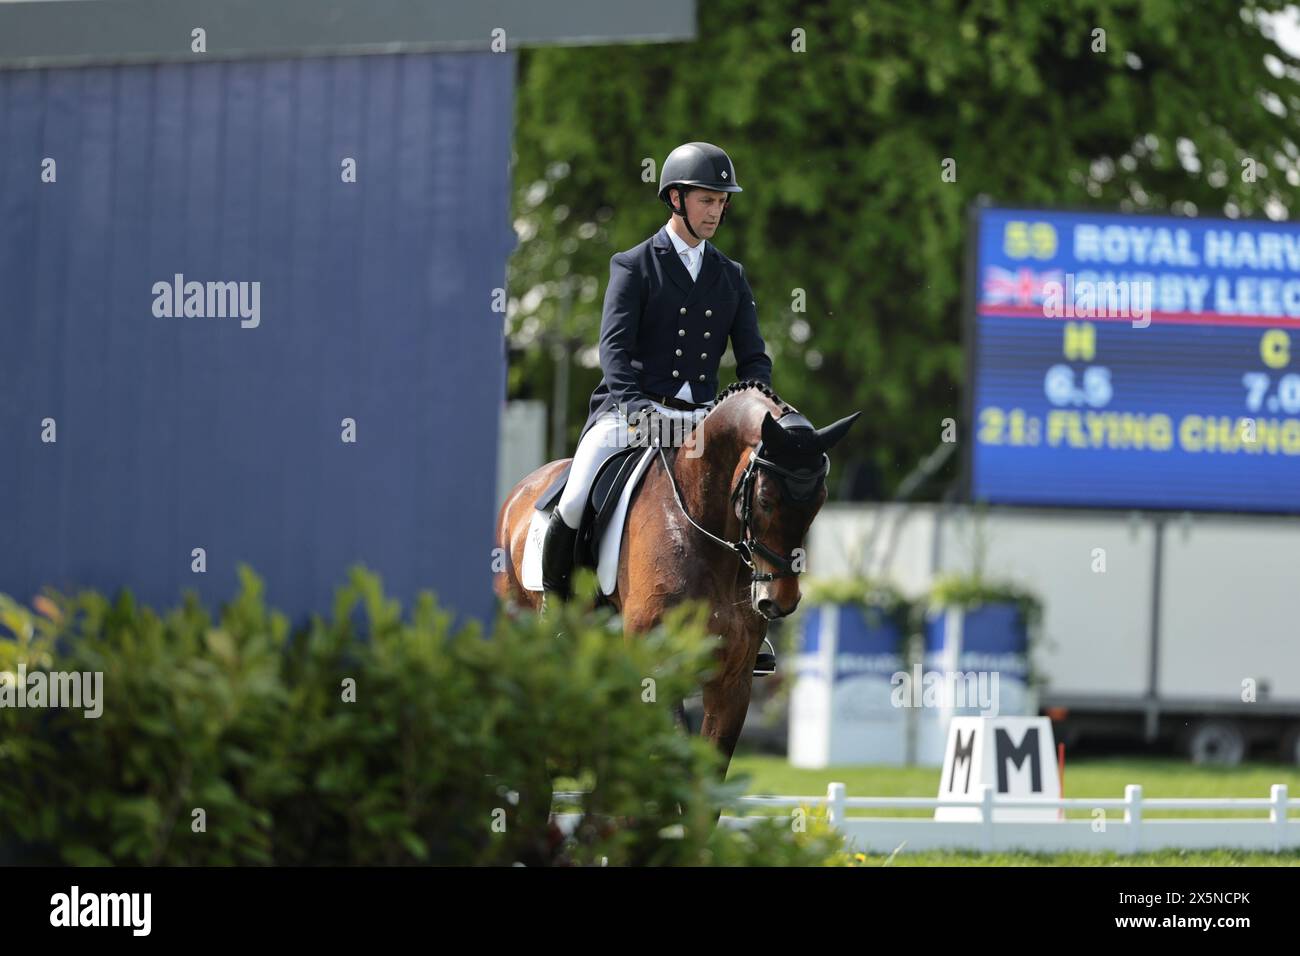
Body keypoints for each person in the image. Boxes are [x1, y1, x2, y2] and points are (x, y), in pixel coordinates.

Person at [541, 141, 773, 602]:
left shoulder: (730, 276)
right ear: (675, 199)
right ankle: (558, 602)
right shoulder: (633, 266)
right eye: (707, 199)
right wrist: (637, 409)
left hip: (701, 420)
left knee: (749, 501)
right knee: (574, 494)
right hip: (631, 413)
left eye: (722, 201)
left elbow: (753, 358)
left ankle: (748, 616)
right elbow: (614, 351)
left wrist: (755, 411)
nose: (715, 211)